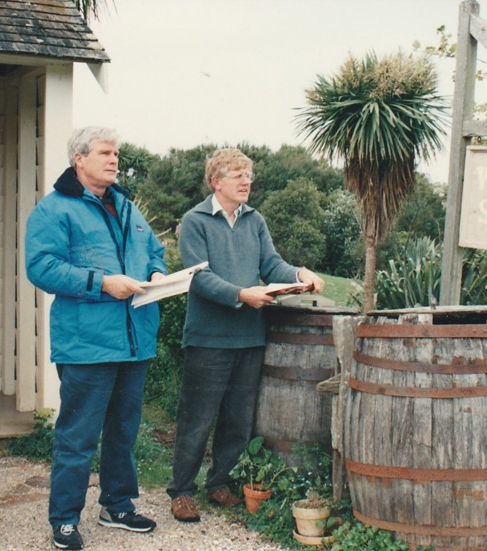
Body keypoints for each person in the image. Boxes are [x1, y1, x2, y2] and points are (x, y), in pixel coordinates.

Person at [25, 126, 167, 550]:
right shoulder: (54, 210)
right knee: (78, 436)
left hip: (134, 340)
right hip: (87, 345)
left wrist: (158, 273)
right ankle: (65, 520)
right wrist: (103, 283)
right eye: (104, 153)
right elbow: (41, 268)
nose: (114, 160)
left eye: (117, 154)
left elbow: (154, 252)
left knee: (123, 431)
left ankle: (117, 506)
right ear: (79, 159)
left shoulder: (126, 206)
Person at [167, 148, 325, 522]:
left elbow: (271, 264)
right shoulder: (195, 221)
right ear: (215, 181)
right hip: (208, 338)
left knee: (239, 420)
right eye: (237, 175)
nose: (246, 182)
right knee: (197, 419)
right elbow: (197, 277)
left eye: (248, 175)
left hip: (250, 336)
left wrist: (300, 274)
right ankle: (181, 491)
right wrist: (241, 294)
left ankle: (219, 483)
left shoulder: (255, 220)